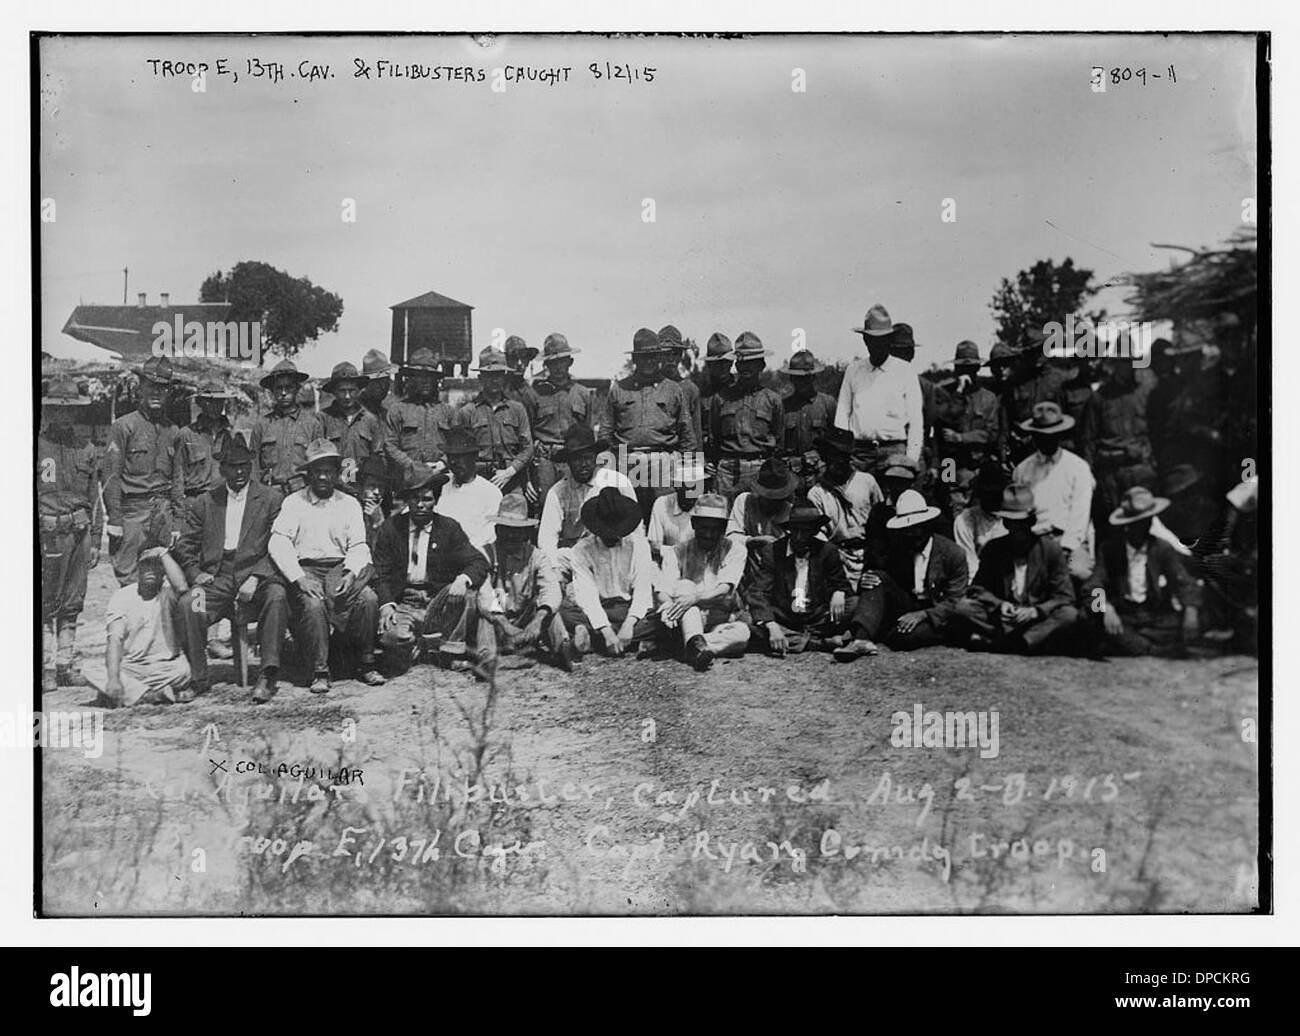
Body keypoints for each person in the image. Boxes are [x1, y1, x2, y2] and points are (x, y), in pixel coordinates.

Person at [175, 437, 288, 703]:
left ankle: (267, 676)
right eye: (232, 466)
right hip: (219, 576)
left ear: (252, 466)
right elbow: (185, 546)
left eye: (244, 466)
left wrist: (257, 575)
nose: (239, 472)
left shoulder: (271, 499)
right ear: (221, 469)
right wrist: (194, 574)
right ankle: (199, 677)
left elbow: (281, 544)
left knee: (277, 596)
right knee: (189, 603)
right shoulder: (206, 501)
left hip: (259, 575)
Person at [268, 439, 384, 693]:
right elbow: (278, 542)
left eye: (328, 470)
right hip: (306, 569)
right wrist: (299, 578)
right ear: (308, 473)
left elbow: (359, 545)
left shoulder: (349, 503)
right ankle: (319, 670)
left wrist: (351, 573)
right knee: (313, 602)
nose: (322, 476)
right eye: (317, 470)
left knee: (368, 598)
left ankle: (366, 662)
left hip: (339, 568)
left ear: (336, 472)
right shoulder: (294, 502)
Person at [373, 466, 493, 674]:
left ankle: (449, 654)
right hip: (404, 602)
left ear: (435, 500)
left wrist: (462, 579)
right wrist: (386, 604)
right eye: (414, 499)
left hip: (437, 602)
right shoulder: (391, 529)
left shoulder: (448, 528)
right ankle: (425, 646)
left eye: (427, 499)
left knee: (469, 594)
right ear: (407, 501)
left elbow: (478, 562)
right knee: (392, 637)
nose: (420, 505)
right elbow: (380, 572)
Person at [833, 489, 969, 659]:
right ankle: (861, 639)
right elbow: (885, 582)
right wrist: (867, 579)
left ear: (927, 526)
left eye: (916, 528)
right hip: (907, 604)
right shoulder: (899, 547)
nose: (911, 534)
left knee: (903, 638)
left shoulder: (952, 553)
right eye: (906, 529)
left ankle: (935, 634)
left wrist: (923, 614)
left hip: (934, 610)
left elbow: (956, 601)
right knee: (877, 578)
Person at [951, 484, 1081, 654]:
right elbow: (977, 589)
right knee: (963, 608)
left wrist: (1036, 611)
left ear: (1031, 522)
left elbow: (1064, 595)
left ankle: (1017, 641)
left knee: (1068, 614)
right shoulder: (994, 548)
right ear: (1005, 523)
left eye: (1022, 524)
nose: (1016, 530)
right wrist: (1000, 605)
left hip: (1035, 619)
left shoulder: (1050, 550)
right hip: (1005, 617)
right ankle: (1020, 641)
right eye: (1011, 523)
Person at [1083, 486, 1200, 657]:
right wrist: (1106, 607)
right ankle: (1151, 649)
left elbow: (1184, 581)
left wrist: (1191, 609)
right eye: (1138, 523)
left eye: (1148, 521)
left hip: (1154, 616)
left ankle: (1133, 644)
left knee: (1196, 617)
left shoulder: (1161, 548)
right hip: (1125, 614)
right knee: (1090, 618)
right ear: (1126, 526)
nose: (1144, 527)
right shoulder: (1110, 549)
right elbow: (1093, 584)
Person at [39, 377, 103, 691]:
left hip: (80, 533)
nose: (63, 417)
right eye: (56, 410)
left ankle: (65, 663)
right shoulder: (36, 445)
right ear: (47, 411)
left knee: (73, 600)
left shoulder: (87, 448)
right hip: (49, 532)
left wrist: (97, 539)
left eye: (69, 411)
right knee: (46, 600)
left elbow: (95, 497)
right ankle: (45, 668)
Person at [103, 355, 185, 586]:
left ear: (169, 392)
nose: (157, 393)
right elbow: (111, 477)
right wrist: (115, 519)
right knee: (129, 579)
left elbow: (178, 479)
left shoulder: (174, 431)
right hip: (133, 513)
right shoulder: (124, 426)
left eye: (163, 388)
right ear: (141, 387)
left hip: (163, 512)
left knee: (161, 579)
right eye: (152, 386)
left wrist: (178, 521)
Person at [603, 328, 696, 523]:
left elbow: (688, 437)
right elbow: (605, 432)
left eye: (653, 356)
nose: (649, 361)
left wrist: (689, 474)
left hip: (663, 462)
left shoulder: (673, 389)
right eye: (644, 357)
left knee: (664, 515)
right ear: (635, 359)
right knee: (628, 517)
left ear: (659, 357)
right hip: (628, 461)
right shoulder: (619, 389)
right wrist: (614, 464)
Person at [476, 495, 578, 672]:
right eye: (506, 529)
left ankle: (563, 647)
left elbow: (551, 589)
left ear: (525, 532)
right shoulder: (485, 554)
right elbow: (484, 595)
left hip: (525, 619)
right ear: (497, 529)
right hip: (498, 621)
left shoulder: (536, 556)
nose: (511, 536)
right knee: (484, 617)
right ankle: (487, 657)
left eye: (517, 531)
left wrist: (538, 620)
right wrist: (505, 625)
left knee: (551, 611)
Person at [655, 494, 752, 670]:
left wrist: (694, 598)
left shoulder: (735, 550)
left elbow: (724, 589)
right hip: (687, 616)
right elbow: (663, 589)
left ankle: (693, 646)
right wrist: (671, 606)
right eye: (703, 528)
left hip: (721, 619)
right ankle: (694, 642)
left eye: (715, 529)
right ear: (694, 524)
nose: (708, 534)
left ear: (723, 528)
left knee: (742, 634)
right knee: (686, 587)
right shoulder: (677, 551)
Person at [745, 498, 852, 655]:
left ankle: (795, 641)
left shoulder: (827, 551)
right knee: (746, 621)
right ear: (789, 530)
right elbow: (758, 591)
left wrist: (839, 592)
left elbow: (843, 584)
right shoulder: (773, 551)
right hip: (784, 619)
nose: (799, 537)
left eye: (806, 531)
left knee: (854, 604)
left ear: (815, 532)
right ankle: (817, 643)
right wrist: (771, 625)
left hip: (819, 619)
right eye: (795, 530)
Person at [563, 487, 658, 657]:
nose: (612, 535)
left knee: (660, 617)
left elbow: (642, 590)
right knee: (564, 610)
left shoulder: (639, 545)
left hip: (628, 610)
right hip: (598, 609)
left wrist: (629, 625)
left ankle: (596, 640)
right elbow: (587, 596)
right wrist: (606, 630)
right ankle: (624, 641)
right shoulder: (581, 550)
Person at [834, 304, 923, 477]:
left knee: (894, 502)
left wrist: (910, 460)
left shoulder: (905, 371)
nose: (877, 345)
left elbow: (916, 422)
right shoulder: (854, 370)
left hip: (895, 452)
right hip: (860, 453)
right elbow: (842, 415)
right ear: (865, 340)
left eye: (882, 340)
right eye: (872, 339)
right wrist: (844, 455)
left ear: (889, 340)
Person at [97, 548, 192, 707]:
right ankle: (151, 695)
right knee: (90, 669)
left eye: (156, 566)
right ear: (137, 570)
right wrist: (113, 678)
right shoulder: (122, 596)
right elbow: (115, 639)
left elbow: (182, 586)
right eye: (145, 566)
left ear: (163, 572)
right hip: (130, 666)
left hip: (164, 666)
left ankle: (131, 693)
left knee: (183, 671)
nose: (150, 571)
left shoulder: (168, 593)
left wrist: (162, 553)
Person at [1012, 402, 1095, 580]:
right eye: (1041, 435)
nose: (1047, 439)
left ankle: (1092, 607)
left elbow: (1080, 514)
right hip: (1033, 540)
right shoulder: (1022, 470)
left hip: (1068, 538)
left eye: (1053, 435)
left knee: (1080, 572)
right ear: (1034, 436)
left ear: (1060, 435)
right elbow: (1018, 515)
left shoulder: (1078, 467)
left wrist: (1066, 547)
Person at [537, 425, 637, 558]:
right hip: (572, 557)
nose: (583, 464)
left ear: (596, 457)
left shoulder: (617, 482)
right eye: (577, 459)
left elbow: (635, 531)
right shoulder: (558, 492)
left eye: (588, 457)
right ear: (568, 461)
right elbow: (546, 541)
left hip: (612, 554)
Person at [708, 331, 785, 500]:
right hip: (727, 472)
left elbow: (779, 441)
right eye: (741, 362)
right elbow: (714, 438)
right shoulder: (721, 398)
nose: (745, 367)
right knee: (724, 519)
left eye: (751, 362)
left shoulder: (772, 400)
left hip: (760, 469)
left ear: (761, 365)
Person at [806, 427, 882, 593]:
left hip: (869, 556)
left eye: (843, 456)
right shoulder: (817, 493)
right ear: (825, 457)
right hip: (837, 558)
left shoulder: (867, 482)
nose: (838, 461)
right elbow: (818, 536)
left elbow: (880, 520)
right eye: (833, 456)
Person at [530, 332, 597, 513]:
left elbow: (588, 432)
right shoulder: (535, 393)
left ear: (570, 362)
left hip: (572, 458)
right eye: (553, 363)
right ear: (547, 365)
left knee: (575, 504)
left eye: (562, 361)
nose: (558, 367)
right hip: (545, 458)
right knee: (546, 505)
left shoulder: (583, 393)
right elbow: (527, 432)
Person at [459, 345, 534, 506]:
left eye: (498, 375)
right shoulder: (467, 412)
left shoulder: (517, 409)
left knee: (514, 522)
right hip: (478, 480)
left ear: (505, 377)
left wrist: (510, 472)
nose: (494, 380)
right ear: (480, 378)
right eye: (489, 375)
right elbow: (460, 452)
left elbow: (527, 448)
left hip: (511, 480)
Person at [249, 359, 325, 496]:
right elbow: (253, 467)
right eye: (279, 388)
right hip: (270, 494)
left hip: (301, 494)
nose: (283, 393)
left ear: (297, 389)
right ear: (272, 391)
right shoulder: (262, 425)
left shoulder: (312, 425)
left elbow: (320, 465)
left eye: (288, 387)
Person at [383, 346, 458, 483]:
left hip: (441, 478)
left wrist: (443, 463)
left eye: (430, 377)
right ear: (410, 379)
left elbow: (457, 444)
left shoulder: (448, 411)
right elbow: (390, 445)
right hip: (407, 480)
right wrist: (412, 466)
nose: (425, 382)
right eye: (419, 377)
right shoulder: (397, 410)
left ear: (436, 381)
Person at [434, 424, 504, 554]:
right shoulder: (440, 485)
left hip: (472, 559)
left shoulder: (490, 493)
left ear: (474, 456)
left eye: (460, 457)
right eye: (451, 457)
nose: (454, 462)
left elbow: (486, 539)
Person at [726, 456, 798, 582]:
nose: (773, 503)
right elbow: (730, 538)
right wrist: (752, 541)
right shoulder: (745, 501)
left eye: (778, 499)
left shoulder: (791, 512)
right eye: (768, 498)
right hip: (748, 570)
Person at [937, 340, 1003, 471]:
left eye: (971, 368)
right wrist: (959, 391)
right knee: (949, 488)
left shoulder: (988, 398)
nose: (966, 372)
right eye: (962, 368)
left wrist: (961, 438)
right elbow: (941, 423)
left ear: (977, 368)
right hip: (949, 463)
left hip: (978, 464)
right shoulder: (943, 394)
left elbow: (992, 434)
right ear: (956, 369)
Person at [780, 349, 837, 493]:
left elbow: (837, 443)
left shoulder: (827, 404)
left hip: (821, 475)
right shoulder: (783, 407)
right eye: (797, 378)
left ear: (813, 377)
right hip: (792, 477)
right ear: (791, 378)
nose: (801, 382)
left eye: (806, 378)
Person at [321, 361, 385, 487]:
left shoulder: (370, 420)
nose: (347, 396)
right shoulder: (323, 419)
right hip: (332, 487)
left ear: (359, 390)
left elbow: (378, 456)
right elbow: (318, 456)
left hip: (362, 486)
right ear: (334, 391)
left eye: (352, 390)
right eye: (341, 390)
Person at [178, 375, 237, 499]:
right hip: (195, 501)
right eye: (209, 401)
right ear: (200, 403)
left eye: (219, 401)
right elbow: (177, 478)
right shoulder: (186, 434)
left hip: (224, 501)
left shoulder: (230, 436)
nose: (215, 406)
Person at [952, 462, 1009, 577]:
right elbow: (969, 561)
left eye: (996, 493)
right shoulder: (966, 519)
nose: (992, 498)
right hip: (982, 578)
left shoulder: (1014, 515)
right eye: (987, 493)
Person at [646, 457, 707, 563]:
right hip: (668, 563)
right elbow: (655, 545)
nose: (692, 492)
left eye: (696, 487)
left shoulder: (707, 506)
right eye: (687, 487)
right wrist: (677, 553)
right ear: (677, 486)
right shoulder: (662, 504)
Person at [658, 324, 703, 451]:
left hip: (681, 458)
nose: (671, 359)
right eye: (666, 354)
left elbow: (696, 433)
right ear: (658, 355)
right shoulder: (649, 388)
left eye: (676, 353)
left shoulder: (690, 389)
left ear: (681, 355)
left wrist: (697, 466)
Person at [355, 454, 393, 549]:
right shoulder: (349, 510)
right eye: (371, 486)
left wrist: (379, 523)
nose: (377, 492)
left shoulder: (389, 515)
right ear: (360, 487)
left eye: (381, 487)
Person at [360, 348, 400, 421]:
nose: (383, 386)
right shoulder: (356, 411)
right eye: (378, 381)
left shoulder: (385, 414)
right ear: (366, 382)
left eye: (386, 380)